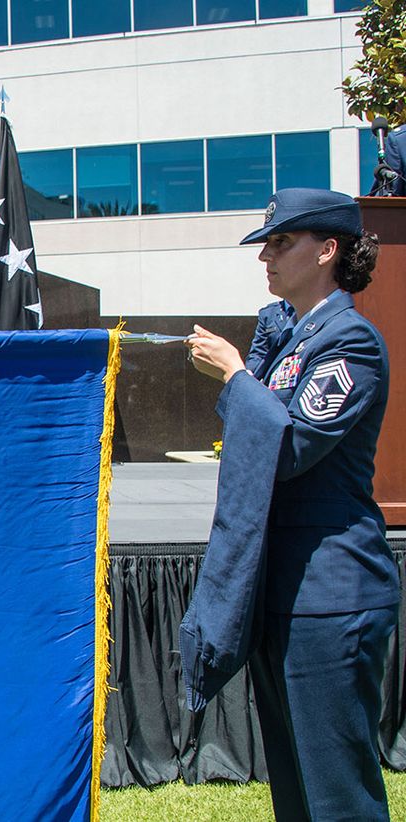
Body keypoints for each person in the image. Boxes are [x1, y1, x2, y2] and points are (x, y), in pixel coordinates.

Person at [187, 188, 396, 821]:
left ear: (328, 250)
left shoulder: (349, 340)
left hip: (332, 592)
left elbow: (290, 447)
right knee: (295, 787)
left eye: (281, 243)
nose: (266, 258)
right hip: (284, 589)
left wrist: (235, 377)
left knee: (336, 792)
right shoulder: (292, 337)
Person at [243, 298, 291, 374]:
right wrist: (249, 374)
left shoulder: (313, 312)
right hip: (274, 375)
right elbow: (259, 352)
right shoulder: (269, 313)